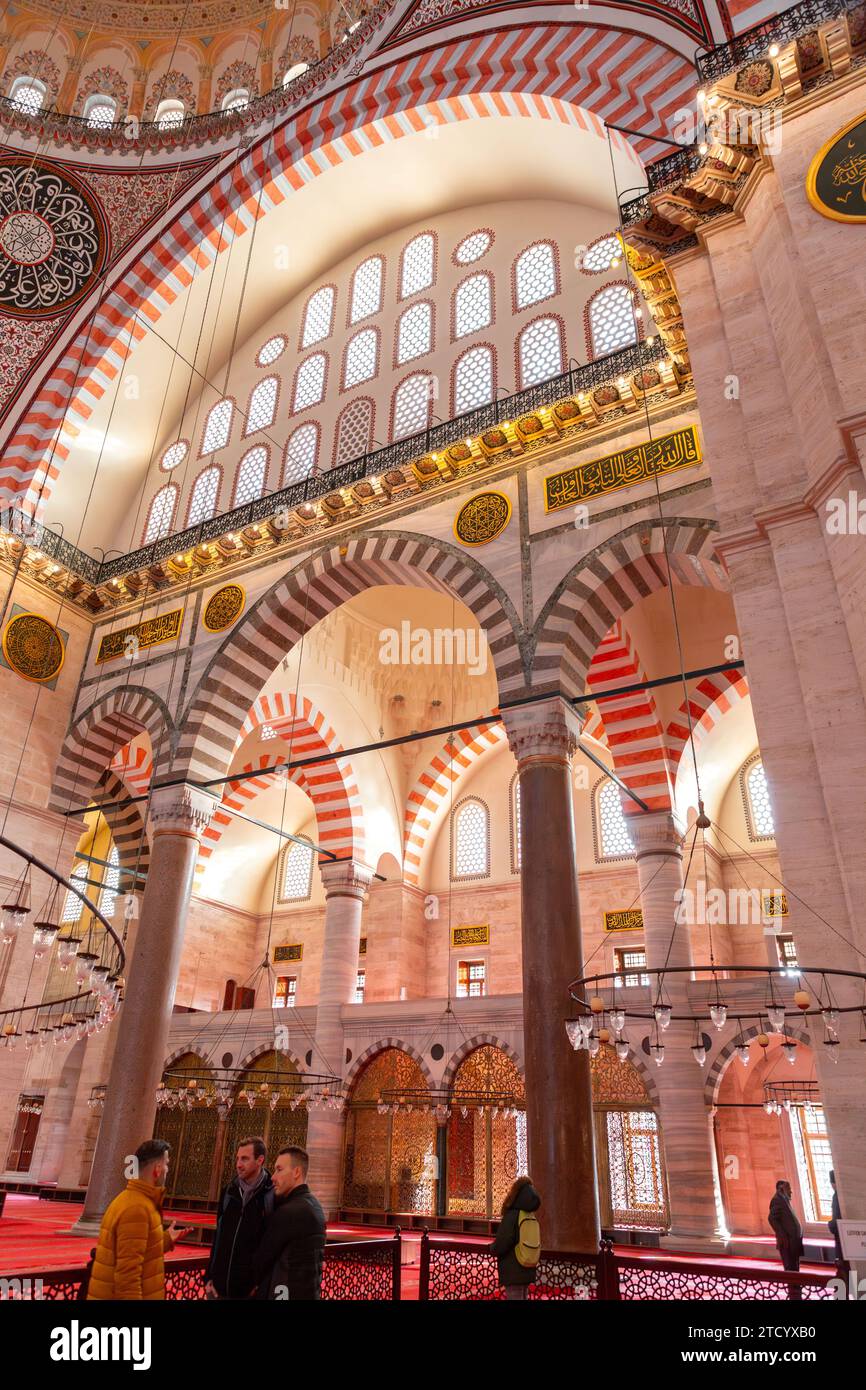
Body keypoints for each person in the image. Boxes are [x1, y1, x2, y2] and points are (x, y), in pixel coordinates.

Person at [87, 1139, 191, 1300]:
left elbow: (138, 1249)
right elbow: (127, 1277)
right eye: (166, 1164)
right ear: (157, 1169)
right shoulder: (137, 1209)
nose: (167, 1169)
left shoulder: (135, 1200)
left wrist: (166, 1239)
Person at [252, 1146, 326, 1300]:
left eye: (279, 1169)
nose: (273, 1177)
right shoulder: (315, 1206)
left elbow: (262, 1260)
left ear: (296, 1172)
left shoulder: (289, 1212)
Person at [205, 1136, 274, 1300]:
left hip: (249, 1292)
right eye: (237, 1158)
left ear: (260, 1160)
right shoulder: (229, 1191)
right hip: (218, 1289)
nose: (238, 1164)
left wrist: (259, 1283)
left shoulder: (271, 1196)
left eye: (244, 1159)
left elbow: (271, 1246)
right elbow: (219, 1237)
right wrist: (209, 1276)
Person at [492, 1175, 542, 1300]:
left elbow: (503, 1241)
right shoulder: (530, 1214)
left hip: (513, 1268)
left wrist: (493, 1248)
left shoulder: (513, 1215)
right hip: (527, 1265)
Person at [768, 1179, 803, 1300]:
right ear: (781, 1188)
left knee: (795, 1267)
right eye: (788, 1188)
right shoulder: (777, 1200)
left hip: (793, 1241)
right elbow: (771, 1219)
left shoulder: (784, 1200)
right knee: (790, 1268)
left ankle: (796, 1291)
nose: (791, 1191)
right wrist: (783, 1235)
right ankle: (794, 1293)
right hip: (787, 1242)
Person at [828, 1170, 849, 1279]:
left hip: (843, 1241)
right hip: (850, 1238)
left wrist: (830, 1225)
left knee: (845, 1271)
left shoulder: (837, 1196)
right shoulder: (848, 1193)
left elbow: (836, 1223)